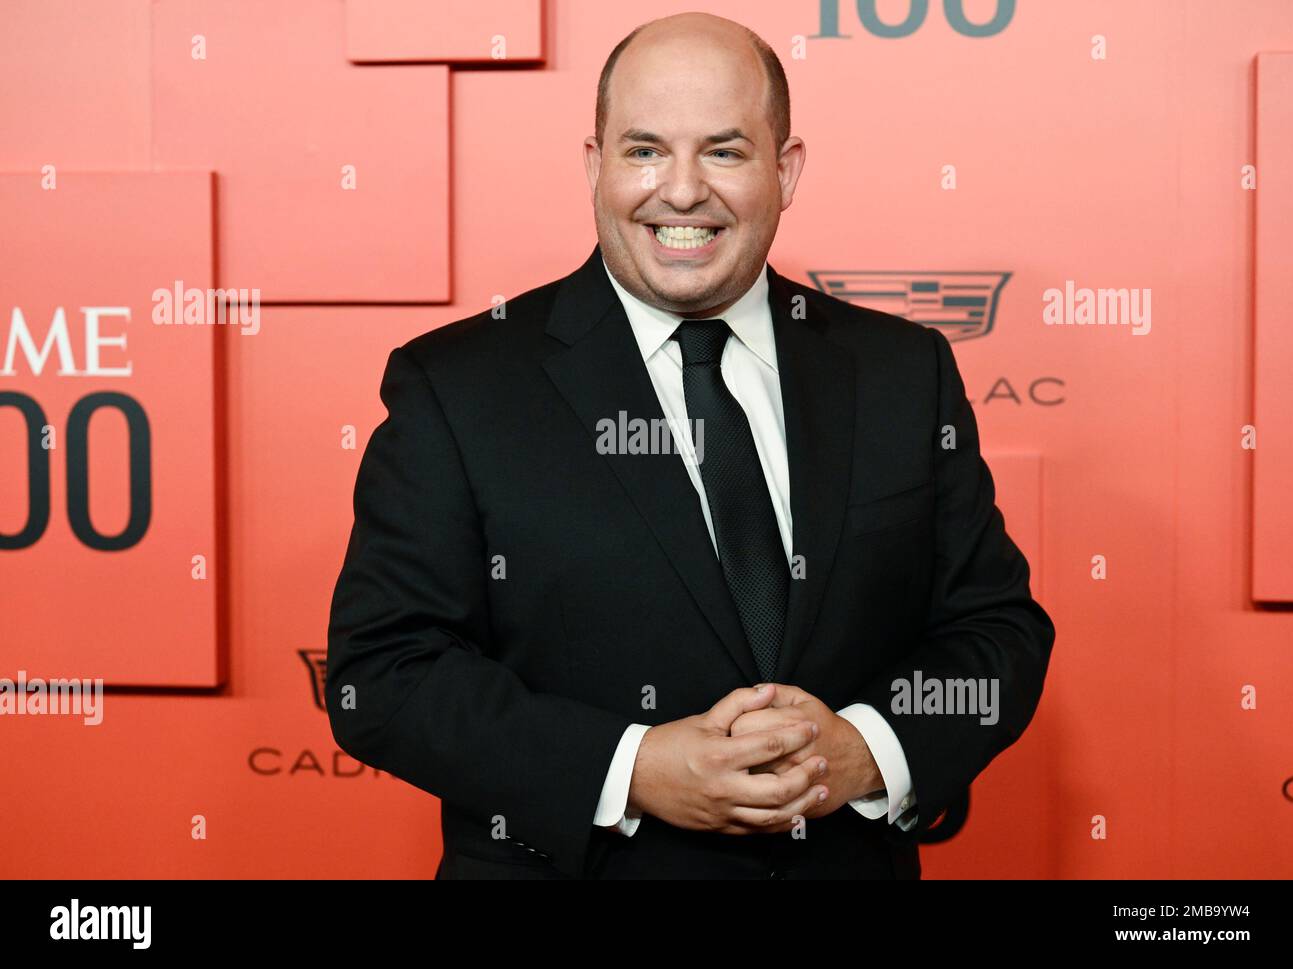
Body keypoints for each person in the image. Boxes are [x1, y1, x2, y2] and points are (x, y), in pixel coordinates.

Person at [326, 11, 1054, 879]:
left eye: (724, 151)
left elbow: (997, 631)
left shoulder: (904, 372)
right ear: (595, 165)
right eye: (643, 150)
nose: (679, 191)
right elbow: (385, 673)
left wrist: (863, 751)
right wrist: (632, 768)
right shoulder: (458, 385)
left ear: (785, 171)